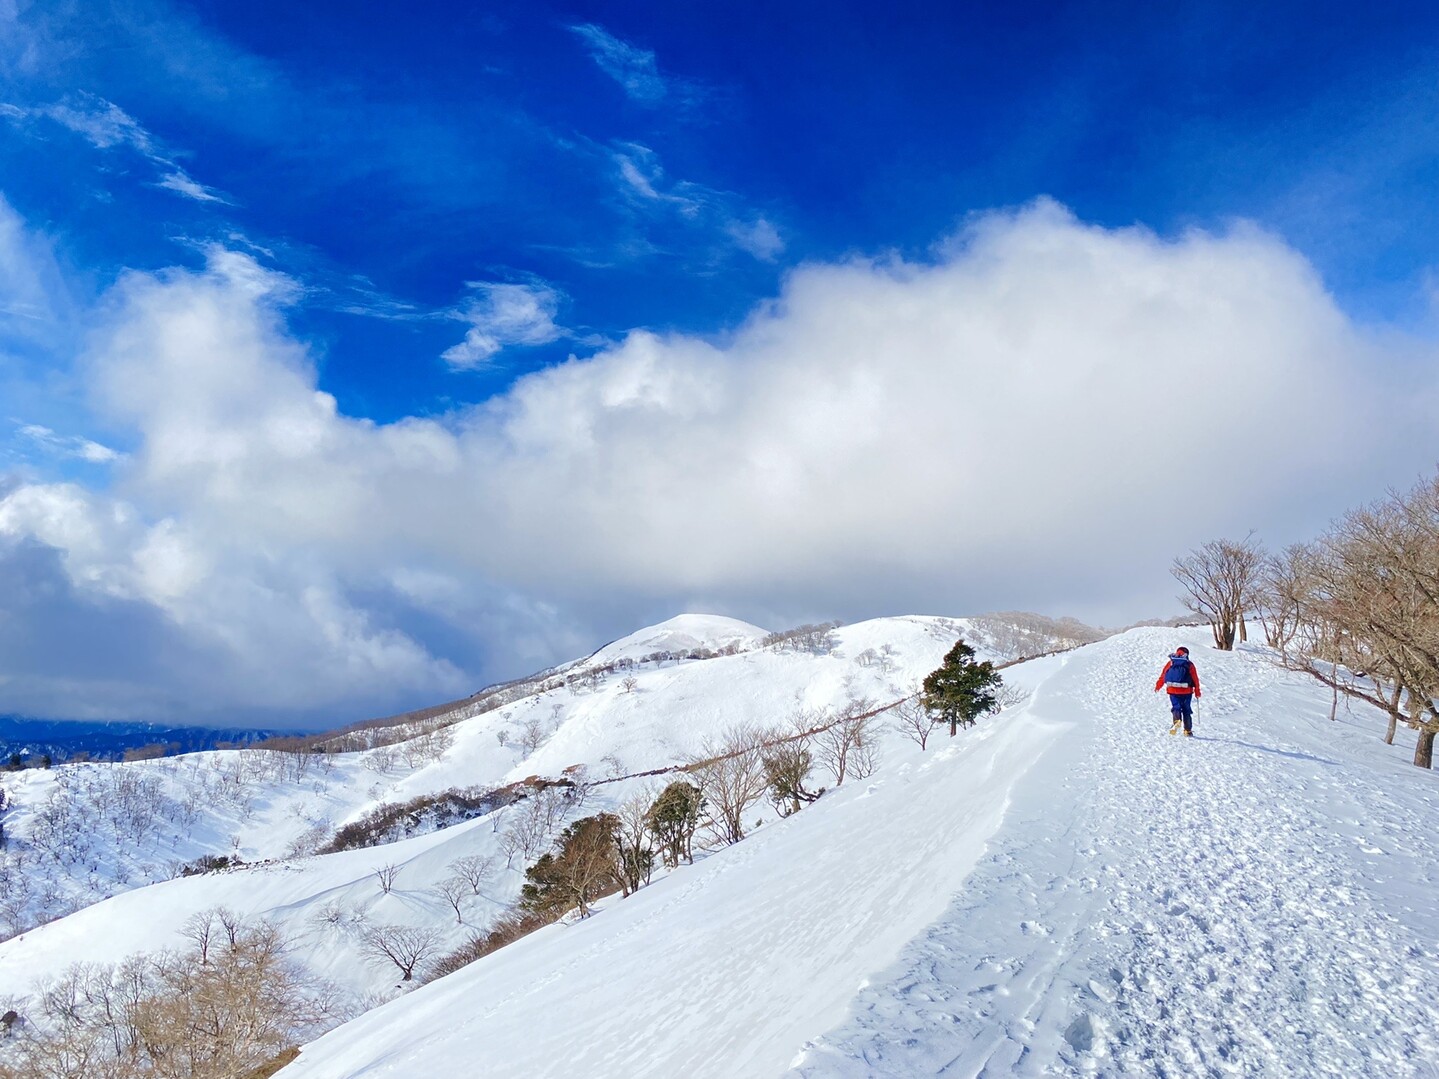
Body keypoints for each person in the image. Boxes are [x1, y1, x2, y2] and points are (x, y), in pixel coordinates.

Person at [1155, 646, 1201, 736]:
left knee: (1176, 707)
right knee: (1186, 710)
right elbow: (1195, 679)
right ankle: (1187, 731)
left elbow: (1164, 675)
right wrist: (1197, 691)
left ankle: (1177, 721)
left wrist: (1158, 686)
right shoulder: (1189, 664)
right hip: (1186, 691)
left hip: (1172, 690)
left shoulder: (1171, 662)